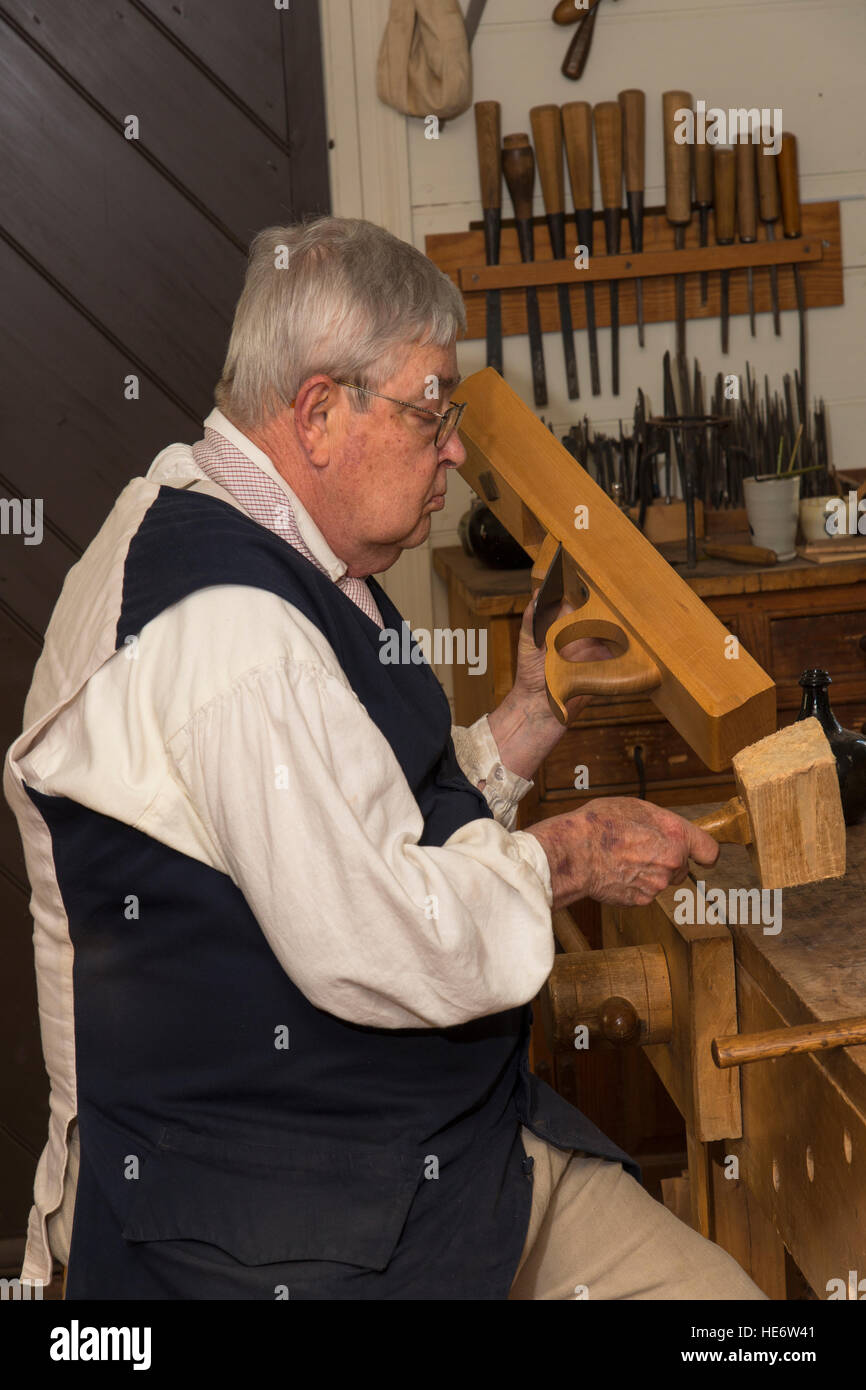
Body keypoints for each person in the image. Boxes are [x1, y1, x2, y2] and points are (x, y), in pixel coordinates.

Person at [4, 216, 766, 1301]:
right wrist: (570, 856)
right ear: (318, 413)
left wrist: (526, 718)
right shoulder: (233, 634)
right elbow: (375, 930)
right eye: (429, 409)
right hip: (271, 1210)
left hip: (411, 1143)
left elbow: (363, 814)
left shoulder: (271, 541)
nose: (454, 445)